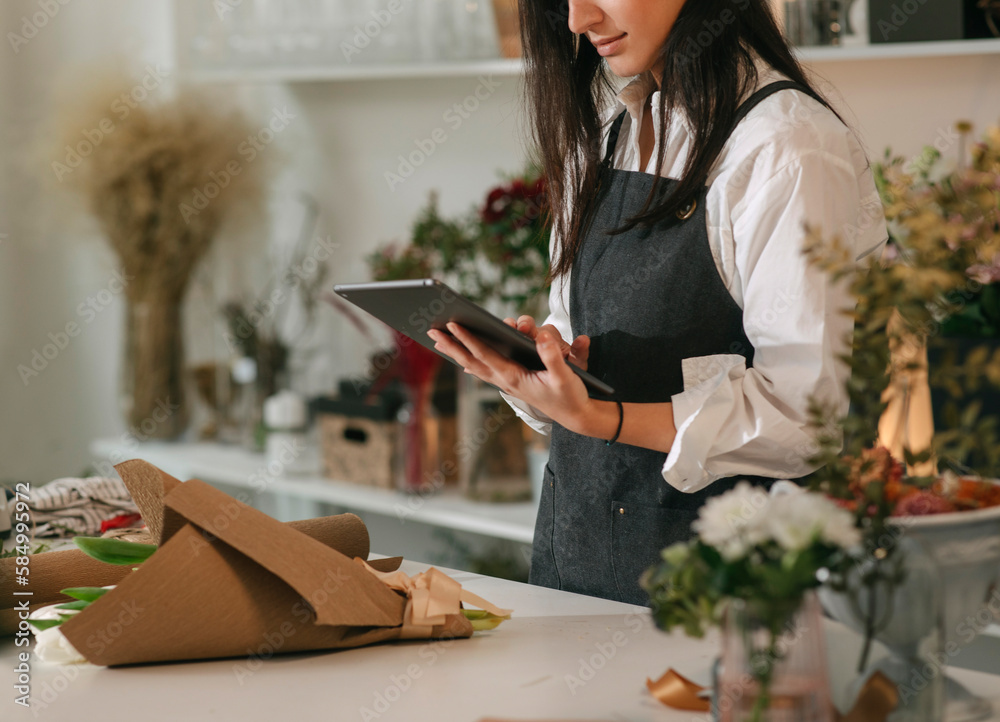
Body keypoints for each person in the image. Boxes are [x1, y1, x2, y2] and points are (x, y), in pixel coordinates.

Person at [428, 0, 888, 605]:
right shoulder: (605, 133)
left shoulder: (786, 146)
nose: (578, 19)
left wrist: (603, 419)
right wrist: (538, 373)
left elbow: (806, 419)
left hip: (724, 600)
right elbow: (571, 323)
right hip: (571, 574)